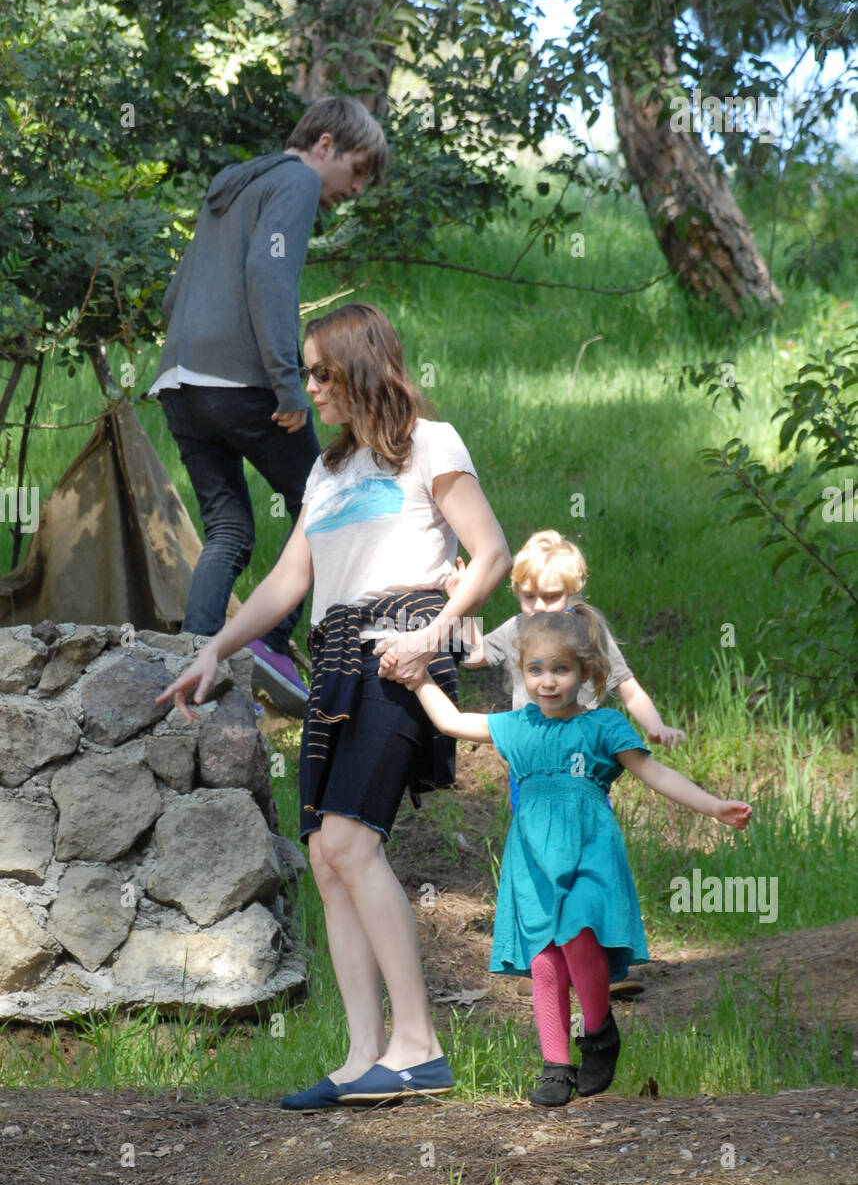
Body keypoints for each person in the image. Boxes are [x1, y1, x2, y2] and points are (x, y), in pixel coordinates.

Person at [156, 302, 511, 1110]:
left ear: (361, 365)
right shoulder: (326, 472)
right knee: (325, 856)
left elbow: (491, 553)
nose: (309, 386)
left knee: (353, 843)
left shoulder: (433, 443)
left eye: (321, 371)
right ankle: (363, 1058)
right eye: (306, 371)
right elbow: (290, 579)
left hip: (400, 650)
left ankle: (418, 1047)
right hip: (335, 659)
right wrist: (215, 647)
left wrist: (436, 636)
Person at [408, 605, 752, 1106]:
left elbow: (656, 775)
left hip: (590, 854)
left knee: (581, 937)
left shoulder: (604, 728)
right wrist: (419, 679)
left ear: (586, 672)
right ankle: (556, 1065)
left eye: (561, 669)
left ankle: (598, 1032)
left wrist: (713, 806)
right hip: (532, 862)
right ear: (522, 673)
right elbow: (453, 721)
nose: (548, 682)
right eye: (536, 670)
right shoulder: (518, 726)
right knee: (545, 962)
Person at [150, 97, 387, 712]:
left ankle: (195, 655)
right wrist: (290, 383)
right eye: (358, 170)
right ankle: (272, 645)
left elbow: (176, 293)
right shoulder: (299, 178)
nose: (356, 189)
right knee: (328, 506)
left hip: (180, 382)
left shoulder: (231, 188)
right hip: (243, 387)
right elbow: (269, 275)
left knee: (229, 525)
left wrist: (188, 356)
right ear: (327, 144)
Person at [450, 528, 686, 998]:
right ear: (516, 593)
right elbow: (473, 655)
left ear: (575, 592)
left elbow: (627, 686)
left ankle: (592, 951)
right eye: (528, 596)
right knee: (539, 850)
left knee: (590, 855)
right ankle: (549, 949)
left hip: (584, 765)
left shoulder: (586, 632)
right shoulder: (519, 630)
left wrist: (655, 725)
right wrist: (464, 600)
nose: (539, 607)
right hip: (532, 761)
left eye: (551, 596)